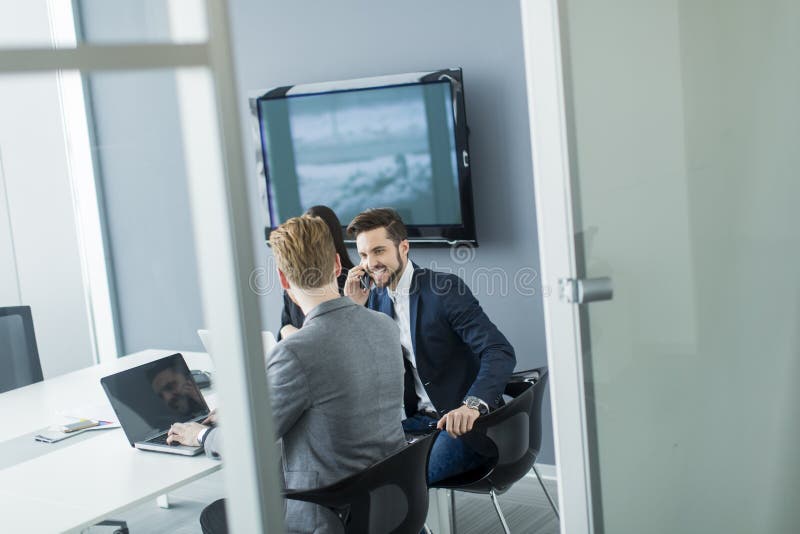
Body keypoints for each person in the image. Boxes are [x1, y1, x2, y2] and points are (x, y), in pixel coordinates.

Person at [167, 215, 407, 534]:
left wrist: (199, 434)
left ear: (282, 279)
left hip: (330, 517)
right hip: (390, 506)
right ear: (337, 265)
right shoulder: (385, 327)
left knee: (217, 514)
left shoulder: (296, 352)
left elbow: (250, 446)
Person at [344, 207, 516, 484]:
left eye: (379, 251)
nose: (369, 263)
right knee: (354, 472)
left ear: (404, 247)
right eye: (363, 255)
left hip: (466, 427)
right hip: (420, 422)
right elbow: (364, 370)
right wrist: (352, 312)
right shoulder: (374, 301)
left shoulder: (444, 289)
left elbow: (499, 351)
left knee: (397, 484)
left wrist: (471, 406)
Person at [278, 205, 354, 340]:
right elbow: (283, 327)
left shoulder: (352, 281)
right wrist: (288, 331)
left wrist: (297, 337)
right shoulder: (293, 284)